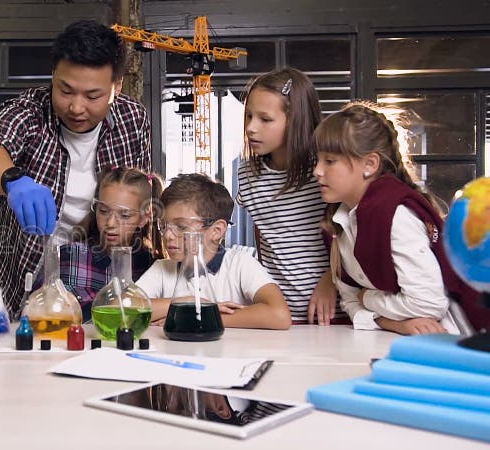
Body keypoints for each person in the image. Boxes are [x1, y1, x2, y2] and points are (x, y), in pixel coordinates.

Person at [0, 20, 151, 316]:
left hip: (97, 277)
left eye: (93, 96)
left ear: (116, 86)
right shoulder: (30, 110)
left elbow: (138, 190)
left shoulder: (133, 120)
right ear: (53, 75)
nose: (77, 107)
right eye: (65, 91)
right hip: (24, 275)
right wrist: (13, 180)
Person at [313, 101, 480, 335]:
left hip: (451, 339)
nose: (317, 171)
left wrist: (368, 297)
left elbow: (429, 304)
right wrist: (394, 323)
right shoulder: (338, 221)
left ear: (370, 164)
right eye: (317, 160)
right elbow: (350, 303)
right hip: (397, 338)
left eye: (329, 161)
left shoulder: (395, 215)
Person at [235, 67, 344, 325]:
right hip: (281, 316)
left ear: (295, 119)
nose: (251, 128)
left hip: (335, 314)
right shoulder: (247, 174)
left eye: (265, 119)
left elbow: (350, 234)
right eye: (249, 116)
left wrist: (331, 278)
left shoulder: (324, 172)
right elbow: (264, 239)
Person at [137, 173, 291, 330]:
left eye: (181, 227)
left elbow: (279, 315)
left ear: (216, 231)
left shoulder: (240, 264)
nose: (168, 235)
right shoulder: (162, 268)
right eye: (164, 226)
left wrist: (204, 318)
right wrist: (191, 302)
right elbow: (121, 309)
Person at [56, 166, 162, 321]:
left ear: (144, 218)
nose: (111, 223)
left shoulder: (152, 266)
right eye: (104, 211)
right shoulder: (72, 257)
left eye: (124, 215)